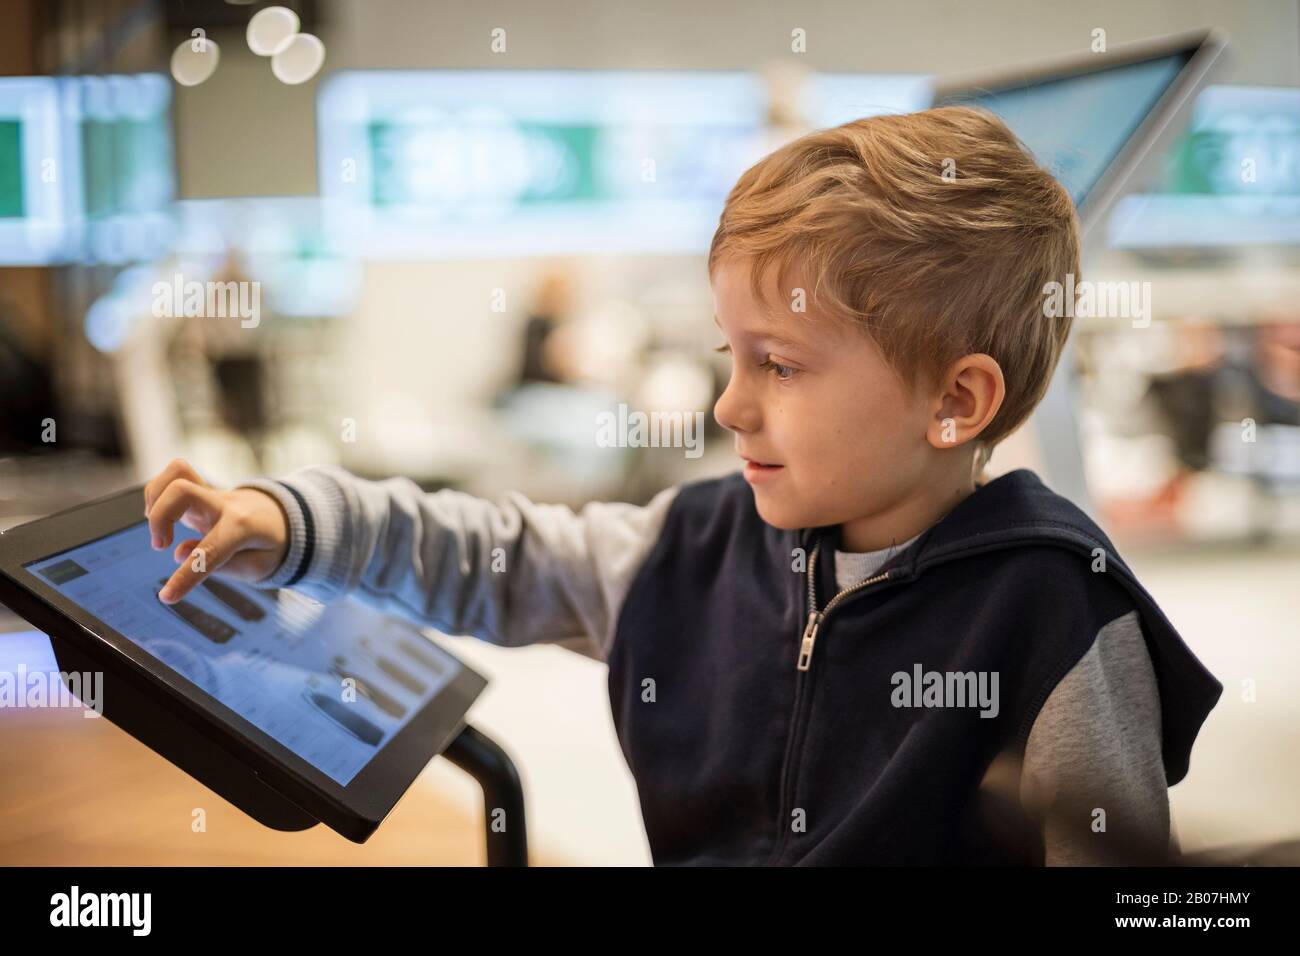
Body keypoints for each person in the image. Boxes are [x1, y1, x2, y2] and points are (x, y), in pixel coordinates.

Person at [141, 107, 1221, 866]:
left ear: (957, 401)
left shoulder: (1055, 613)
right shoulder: (697, 541)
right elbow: (497, 555)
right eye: (730, 356)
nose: (730, 407)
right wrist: (299, 521)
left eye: (780, 365)